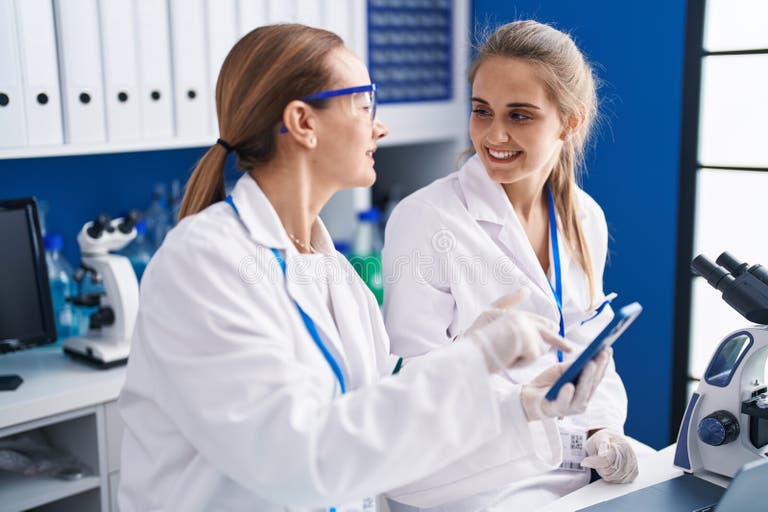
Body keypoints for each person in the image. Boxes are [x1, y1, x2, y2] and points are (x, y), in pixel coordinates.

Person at [117, 23, 612, 512]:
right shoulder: (205, 263)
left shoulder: (337, 277)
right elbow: (297, 464)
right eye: (364, 104)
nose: (381, 126)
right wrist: (474, 360)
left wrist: (521, 407)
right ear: (303, 123)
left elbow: (385, 430)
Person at [382, 20, 639, 511]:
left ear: (570, 122)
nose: (493, 134)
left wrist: (605, 430)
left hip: (574, 466)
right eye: (482, 111)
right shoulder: (426, 219)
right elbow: (410, 384)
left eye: (520, 115)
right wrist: (475, 355)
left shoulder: (584, 217)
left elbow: (589, 349)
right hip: (475, 476)